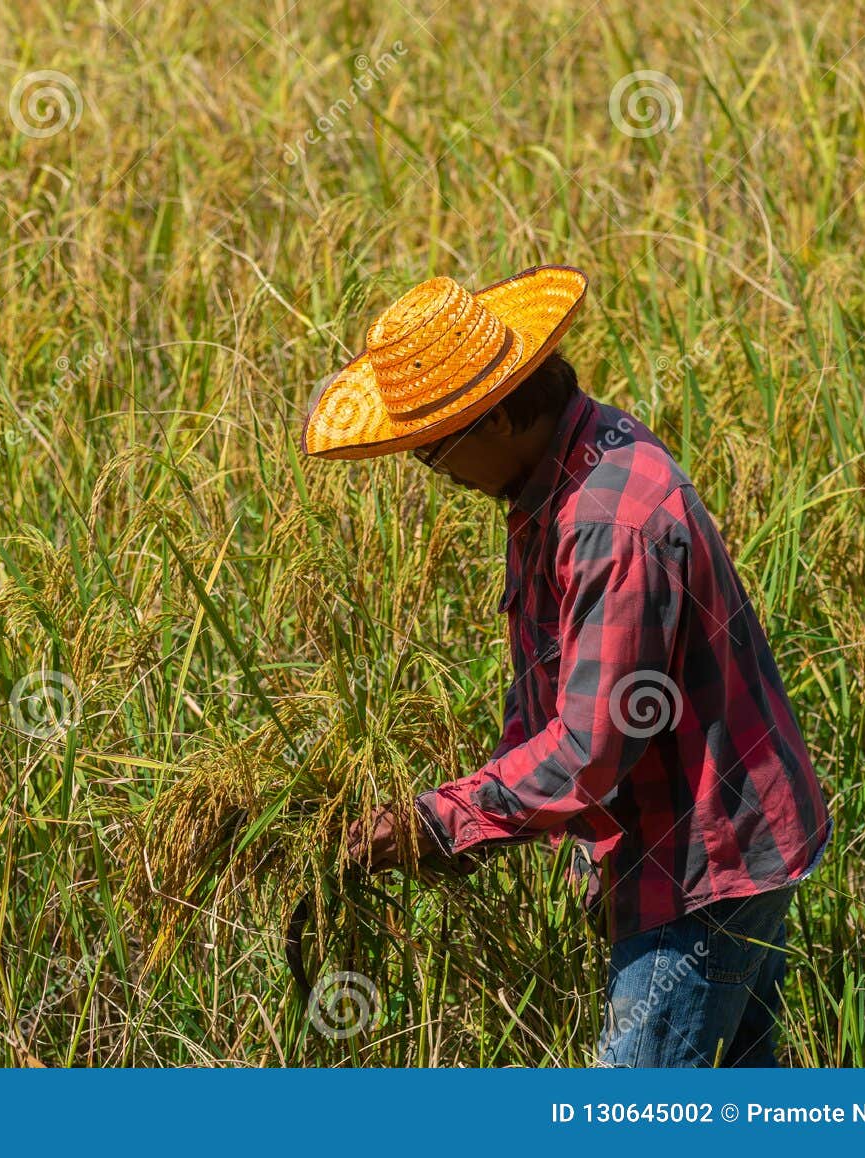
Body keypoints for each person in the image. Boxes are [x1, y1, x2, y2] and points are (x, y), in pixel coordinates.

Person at [300, 266, 830, 1067]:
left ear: (500, 417)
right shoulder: (562, 466)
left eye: (434, 453)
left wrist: (435, 824)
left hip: (702, 867)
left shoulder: (610, 523)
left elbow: (588, 752)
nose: (435, 475)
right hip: (710, 844)